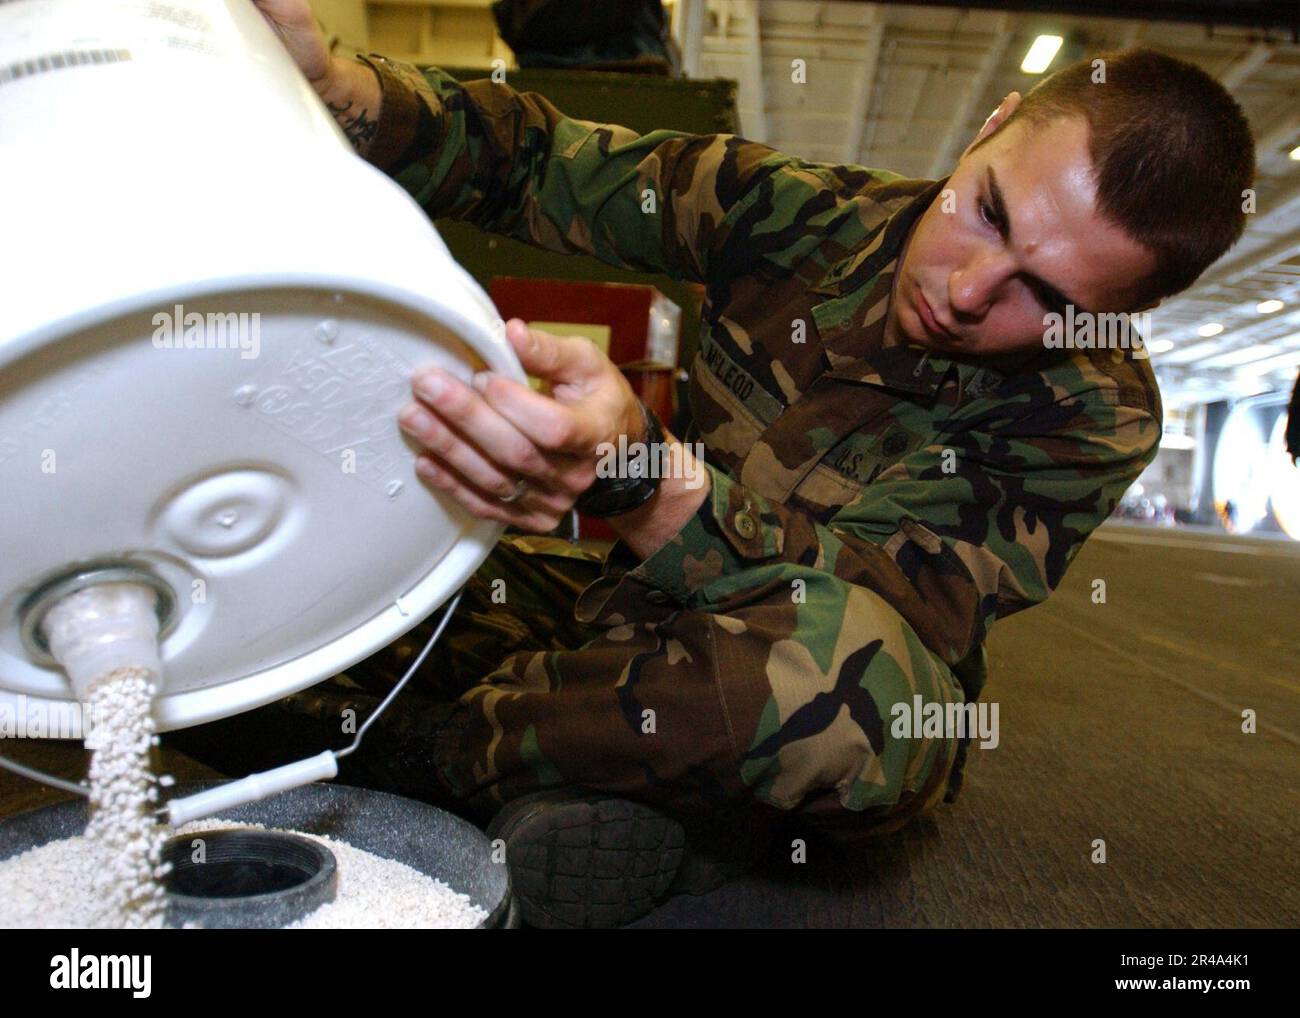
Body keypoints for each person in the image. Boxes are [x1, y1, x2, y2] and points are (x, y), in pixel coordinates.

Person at [250, 0, 1255, 927]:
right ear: (989, 126)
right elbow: (538, 161)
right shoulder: (797, 214)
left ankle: (426, 760)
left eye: (1043, 290)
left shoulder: (1093, 412)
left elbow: (870, 599)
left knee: (835, 691)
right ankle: (600, 794)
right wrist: (342, 89)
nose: (968, 289)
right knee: (327, 587)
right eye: (987, 212)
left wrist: (647, 479)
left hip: (790, 675)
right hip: (625, 624)